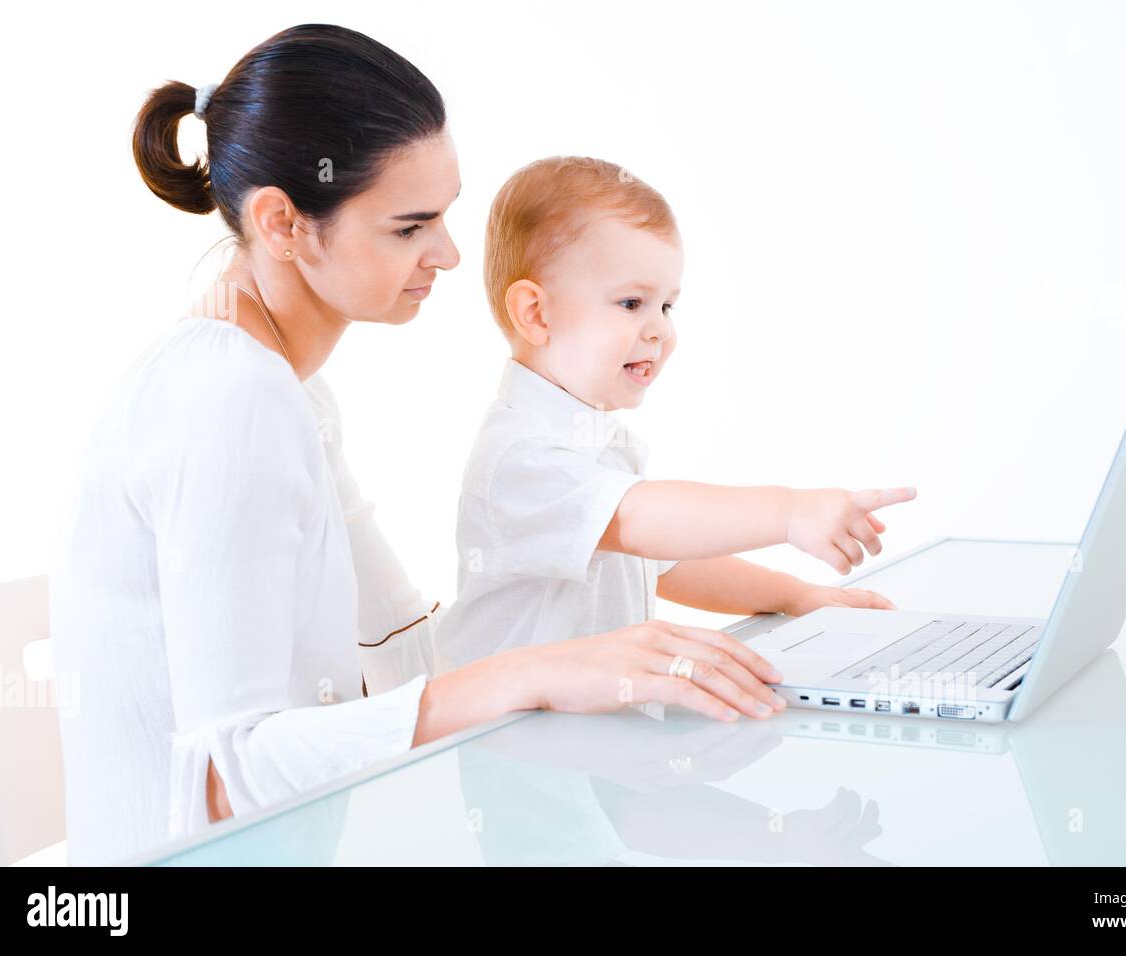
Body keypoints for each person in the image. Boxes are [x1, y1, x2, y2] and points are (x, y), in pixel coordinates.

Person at [48, 22, 785, 867]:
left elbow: (406, 656)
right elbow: (228, 774)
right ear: (283, 221)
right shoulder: (231, 399)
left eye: (446, 214)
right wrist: (532, 675)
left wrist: (590, 661)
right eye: (409, 226)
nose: (448, 252)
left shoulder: (284, 390)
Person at [433, 155, 917, 670]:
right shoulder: (522, 453)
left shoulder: (592, 442)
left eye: (667, 306)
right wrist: (790, 511)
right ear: (536, 313)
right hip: (507, 737)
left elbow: (666, 563)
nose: (660, 330)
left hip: (582, 727)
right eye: (631, 303)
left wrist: (795, 596)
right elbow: (644, 522)